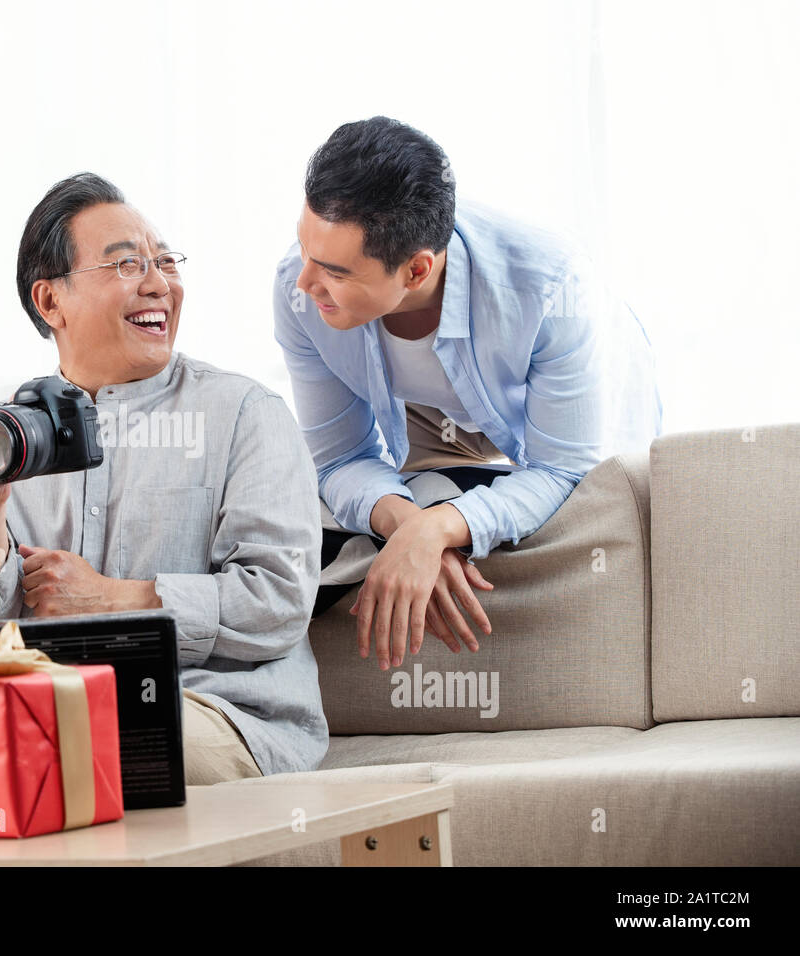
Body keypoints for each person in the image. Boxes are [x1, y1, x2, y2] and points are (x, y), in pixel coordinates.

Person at [0, 172, 328, 784]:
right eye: (125, 265)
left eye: (165, 262)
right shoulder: (5, 439)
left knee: (71, 752)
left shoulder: (244, 415)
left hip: (218, 712)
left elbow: (277, 603)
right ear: (50, 301)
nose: (158, 284)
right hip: (52, 713)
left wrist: (114, 599)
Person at [274, 117, 662, 673]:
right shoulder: (299, 289)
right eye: (305, 248)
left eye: (334, 271)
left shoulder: (551, 288)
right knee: (358, 505)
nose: (303, 283)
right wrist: (412, 527)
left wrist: (443, 526)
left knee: (589, 513)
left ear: (416, 270)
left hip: (542, 393)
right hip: (424, 409)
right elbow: (338, 457)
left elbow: (561, 470)